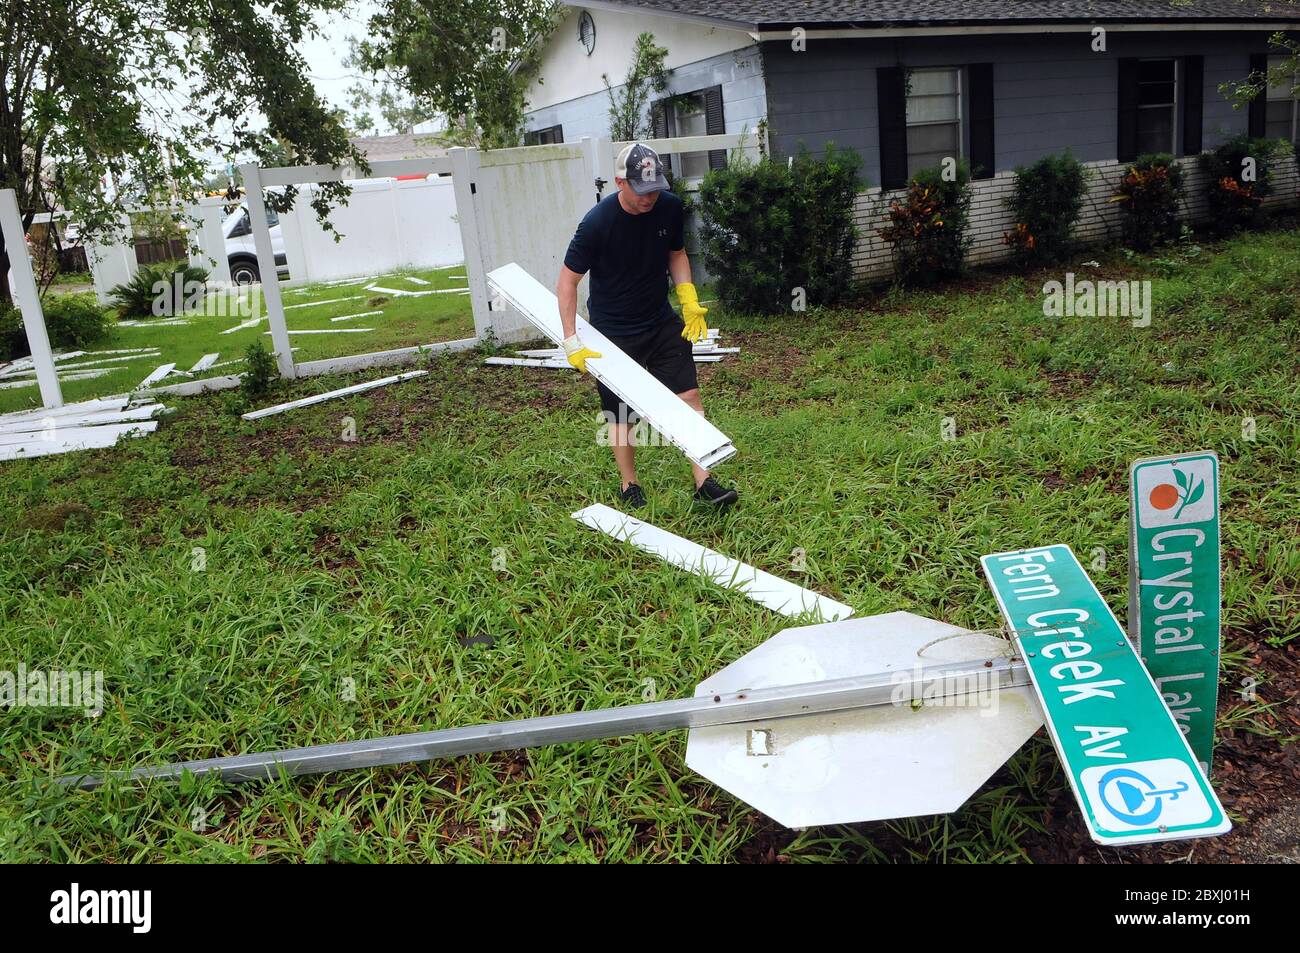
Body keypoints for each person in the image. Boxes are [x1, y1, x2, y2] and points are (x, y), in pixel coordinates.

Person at [556, 142, 738, 510]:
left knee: (688, 395)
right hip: (612, 330)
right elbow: (567, 282)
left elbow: (676, 253)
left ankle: (703, 480)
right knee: (621, 411)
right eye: (642, 191)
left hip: (659, 319)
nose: (649, 198)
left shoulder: (669, 207)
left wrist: (688, 300)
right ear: (620, 183)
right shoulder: (596, 224)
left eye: (655, 190)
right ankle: (629, 484)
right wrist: (571, 339)